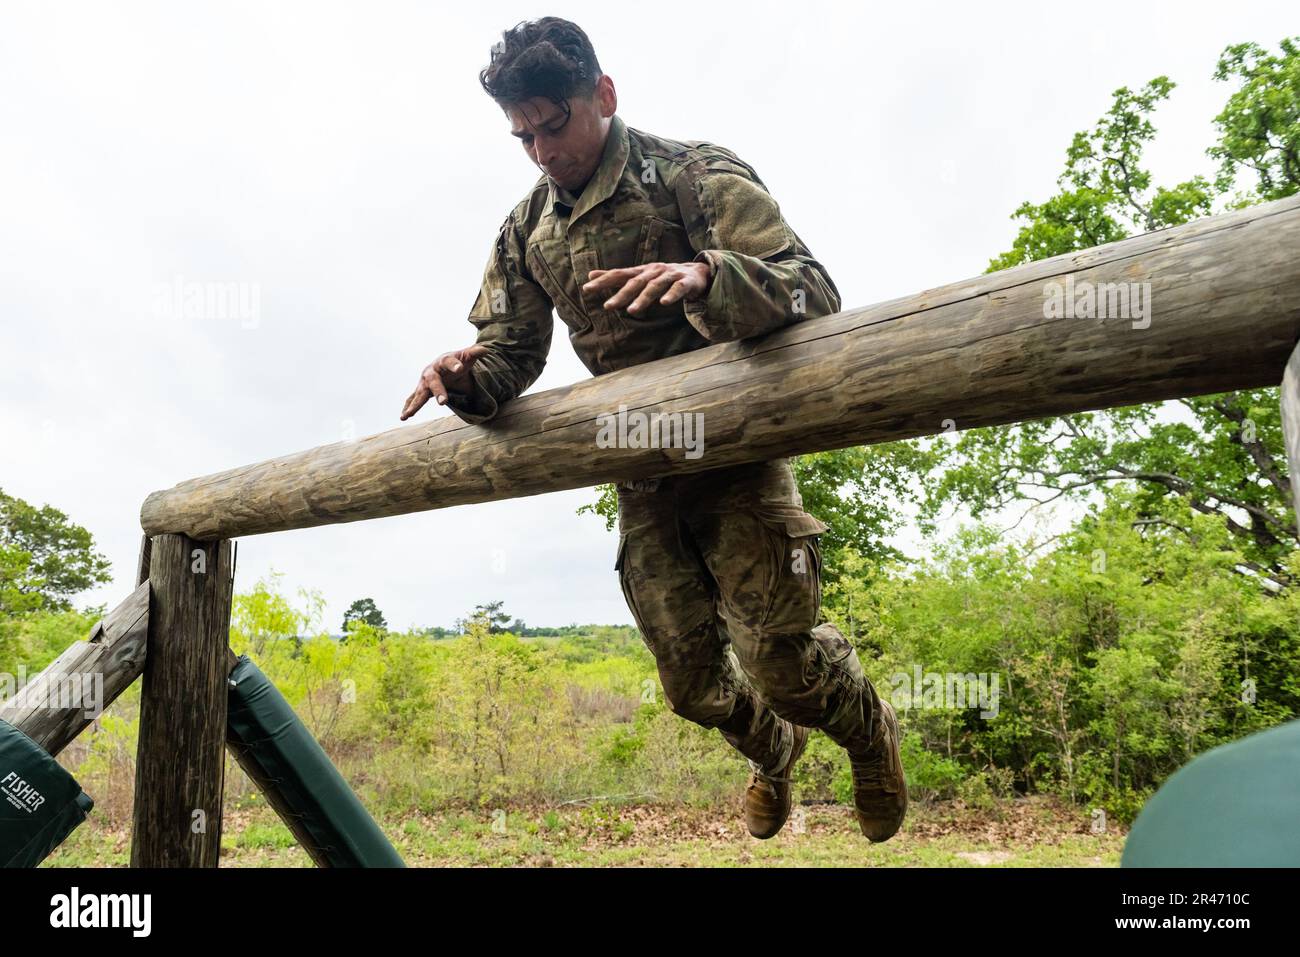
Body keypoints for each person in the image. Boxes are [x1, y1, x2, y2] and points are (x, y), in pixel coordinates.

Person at [399, 16, 906, 841]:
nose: (540, 150)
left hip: (737, 451)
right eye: (521, 136)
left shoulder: (692, 174)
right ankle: (773, 754)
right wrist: (463, 382)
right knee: (691, 687)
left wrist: (708, 278)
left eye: (552, 124)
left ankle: (866, 729)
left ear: (602, 93)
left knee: (780, 662)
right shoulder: (526, 230)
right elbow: (510, 355)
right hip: (641, 470)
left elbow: (812, 288)